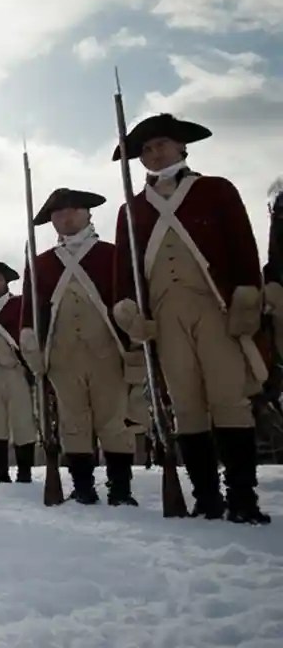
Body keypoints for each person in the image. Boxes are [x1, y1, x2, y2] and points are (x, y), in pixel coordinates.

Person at [111, 114, 269, 524]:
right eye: (145, 150)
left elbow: (242, 247)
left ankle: (242, 497)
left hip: (214, 308)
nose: (153, 153)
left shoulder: (215, 190)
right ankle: (205, 496)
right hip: (163, 317)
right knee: (186, 406)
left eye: (160, 144)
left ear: (182, 147)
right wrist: (130, 311)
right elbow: (124, 272)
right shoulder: (131, 209)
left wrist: (246, 297)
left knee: (229, 401)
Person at [20, 188, 137, 505]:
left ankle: (120, 488)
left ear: (88, 213)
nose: (65, 217)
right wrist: (30, 340)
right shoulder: (40, 263)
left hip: (107, 349)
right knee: (73, 422)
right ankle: (83, 486)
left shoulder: (113, 254)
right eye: (57, 214)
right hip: (61, 352)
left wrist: (136, 343)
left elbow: (131, 299)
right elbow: (32, 309)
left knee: (112, 420)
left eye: (72, 210)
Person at [0, 260, 37, 483]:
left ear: (6, 283)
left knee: (22, 420)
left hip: (15, 370)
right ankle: (0, 473)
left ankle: (25, 472)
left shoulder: (18, 305)